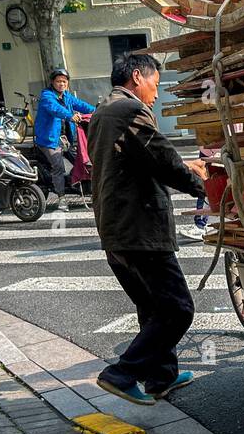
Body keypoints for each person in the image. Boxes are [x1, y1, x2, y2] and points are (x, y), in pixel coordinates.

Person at [88, 50, 207, 406]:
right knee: (177, 309)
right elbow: (162, 160)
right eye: (155, 83)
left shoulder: (102, 112)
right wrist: (203, 187)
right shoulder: (130, 110)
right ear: (137, 77)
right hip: (139, 229)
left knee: (151, 306)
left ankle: (161, 377)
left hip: (115, 228)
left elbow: (137, 162)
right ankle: (122, 373)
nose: (157, 93)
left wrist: (185, 165)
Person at [33, 68, 95, 211]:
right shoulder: (47, 97)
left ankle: (76, 184)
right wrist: (70, 116)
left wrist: (99, 110)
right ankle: (61, 198)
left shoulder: (66, 96)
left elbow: (82, 105)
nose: (61, 84)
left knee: (84, 161)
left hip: (67, 139)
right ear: (52, 83)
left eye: (64, 81)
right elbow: (55, 109)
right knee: (58, 167)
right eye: (58, 81)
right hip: (49, 140)